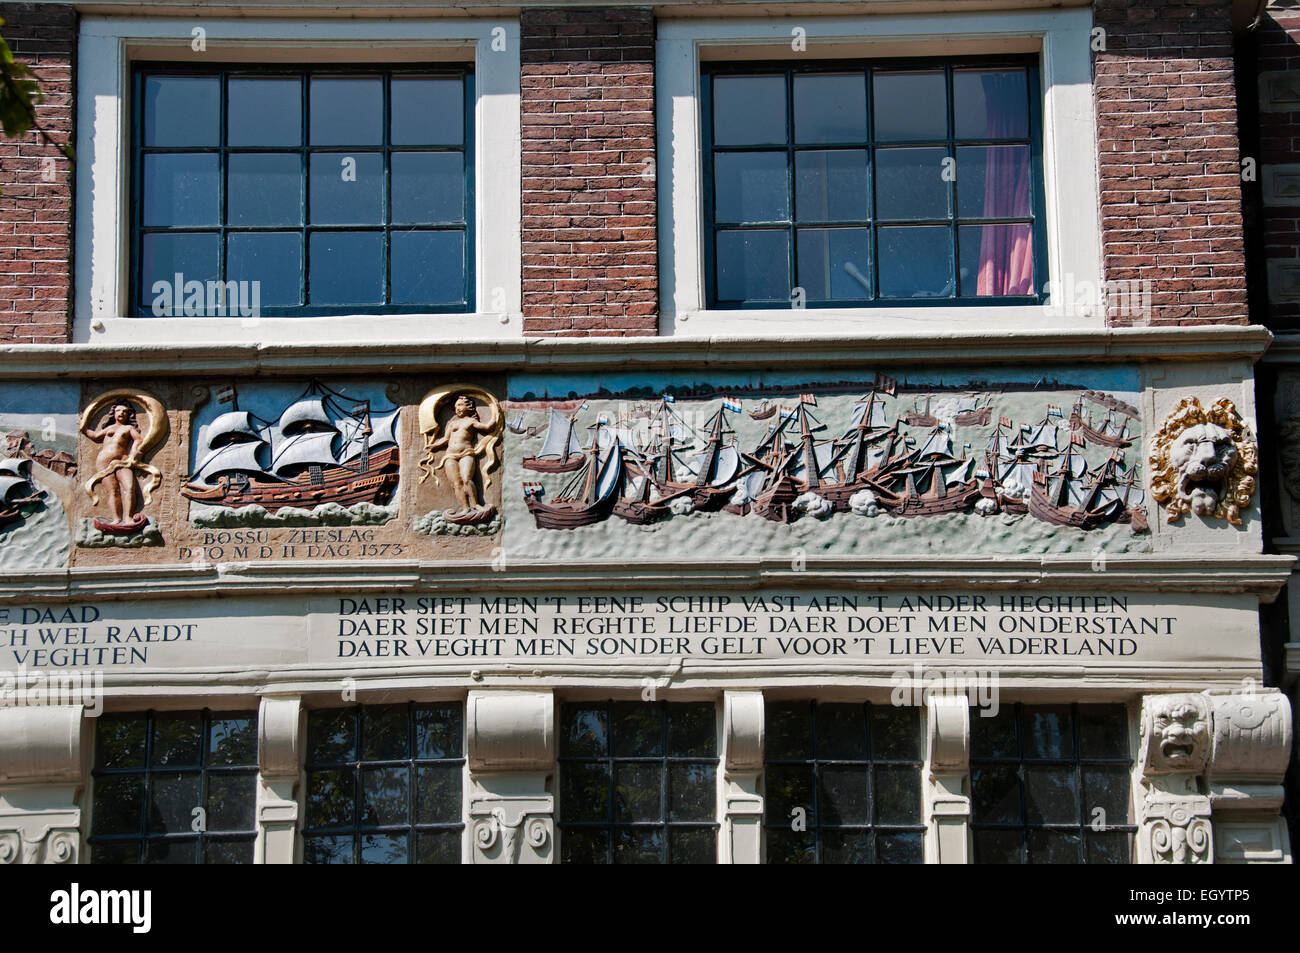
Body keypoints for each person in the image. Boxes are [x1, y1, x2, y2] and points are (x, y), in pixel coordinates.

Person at [429, 394, 495, 515]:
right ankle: (465, 507)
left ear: (468, 407)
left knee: (466, 478)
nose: (457, 408)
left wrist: (496, 414)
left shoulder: (471, 421)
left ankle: (475, 504)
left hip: (466, 452)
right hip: (450, 455)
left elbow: (487, 427)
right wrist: (433, 445)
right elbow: (445, 439)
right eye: (455, 406)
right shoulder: (452, 423)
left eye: (460, 405)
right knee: (456, 483)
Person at [83, 401, 144, 524]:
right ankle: (116, 518)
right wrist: (83, 426)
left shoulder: (129, 428)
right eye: (118, 411)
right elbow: (94, 436)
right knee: (113, 490)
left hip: (122, 460)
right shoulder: (109, 428)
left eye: (124, 411)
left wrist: (133, 454)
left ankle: (128, 517)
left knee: (129, 487)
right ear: (114, 414)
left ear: (128, 415)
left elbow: (138, 440)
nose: (121, 413)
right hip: (103, 461)